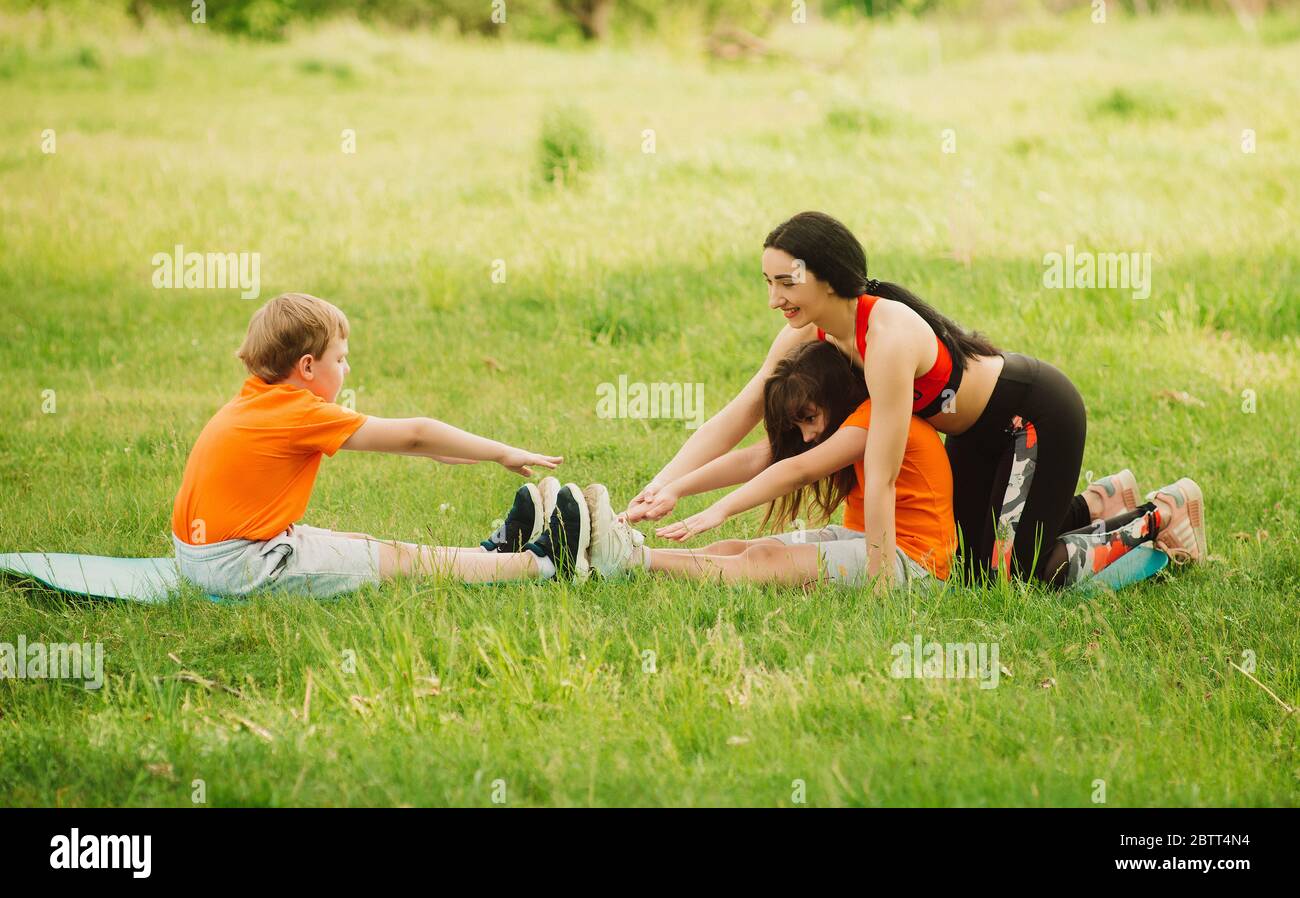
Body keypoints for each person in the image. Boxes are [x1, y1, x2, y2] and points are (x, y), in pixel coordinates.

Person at [625, 211, 1206, 588]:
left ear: (826, 278)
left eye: (786, 283)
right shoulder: (807, 331)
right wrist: (665, 485)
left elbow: (877, 477)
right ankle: (1097, 502)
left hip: (1032, 416)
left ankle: (1162, 514)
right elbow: (739, 417)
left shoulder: (887, 337)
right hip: (971, 433)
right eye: (769, 283)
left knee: (1021, 576)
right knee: (974, 571)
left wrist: (882, 585)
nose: (775, 299)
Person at [170, 292, 588, 599]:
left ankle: (496, 555)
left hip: (213, 556)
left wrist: (452, 452)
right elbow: (416, 434)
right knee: (398, 564)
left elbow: (417, 443)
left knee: (372, 547)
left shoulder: (260, 399)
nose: (347, 369)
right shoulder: (298, 413)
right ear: (308, 366)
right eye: (341, 359)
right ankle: (548, 564)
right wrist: (502, 452)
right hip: (237, 565)